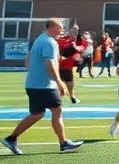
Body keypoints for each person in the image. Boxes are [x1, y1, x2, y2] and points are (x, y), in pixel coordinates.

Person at [1, 19, 83, 155]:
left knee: (38, 113)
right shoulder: (48, 42)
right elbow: (49, 63)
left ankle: (12, 138)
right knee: (55, 110)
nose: (62, 31)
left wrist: (34, 71)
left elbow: (28, 59)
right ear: (52, 27)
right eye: (60, 28)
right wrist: (59, 82)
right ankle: (63, 143)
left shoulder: (41, 39)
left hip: (35, 83)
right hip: (44, 85)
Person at [57, 28, 82, 104]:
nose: (75, 33)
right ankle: (58, 99)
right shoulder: (62, 40)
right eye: (73, 31)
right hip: (60, 65)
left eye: (76, 31)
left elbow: (79, 50)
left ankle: (72, 96)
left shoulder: (77, 41)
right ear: (69, 31)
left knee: (70, 82)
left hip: (69, 65)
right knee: (59, 82)